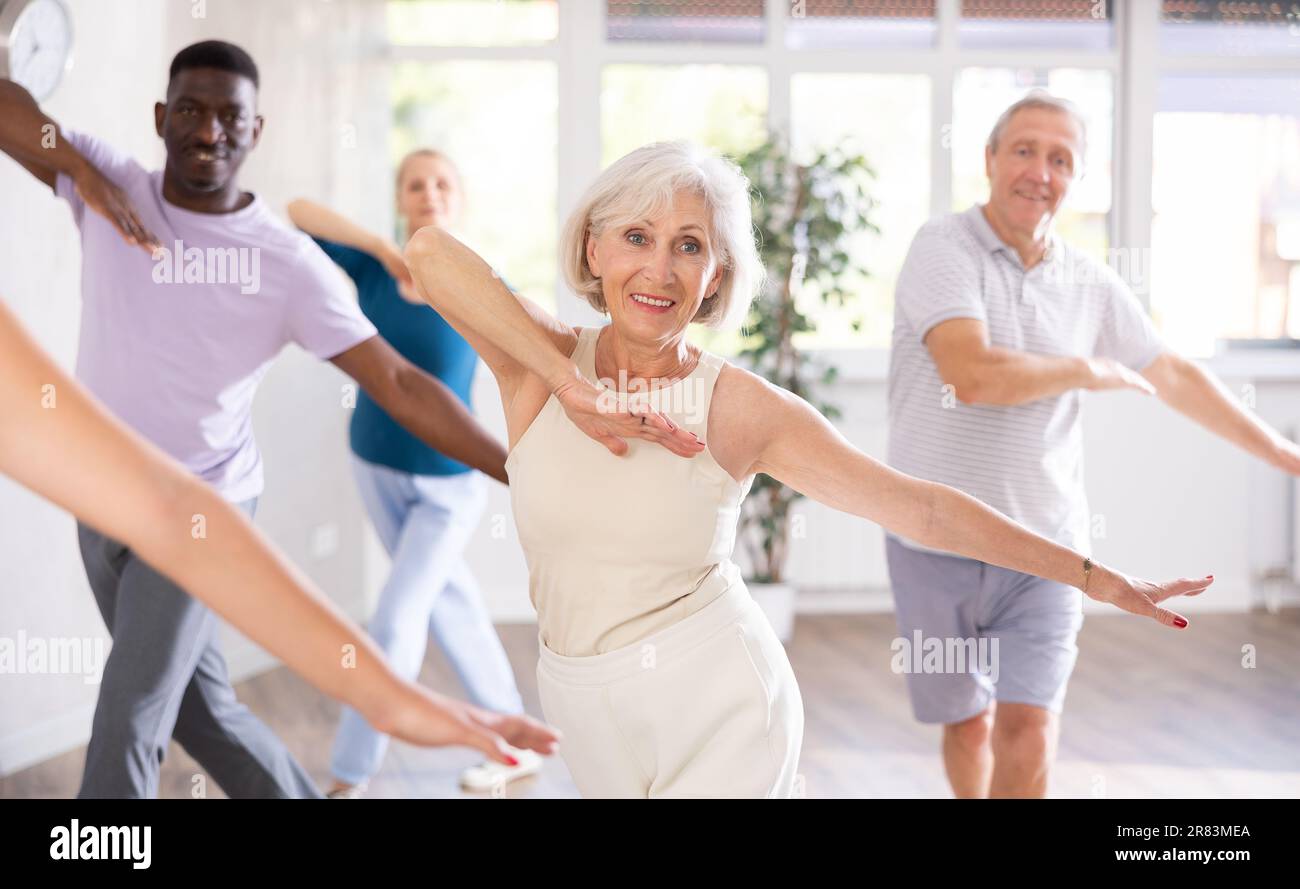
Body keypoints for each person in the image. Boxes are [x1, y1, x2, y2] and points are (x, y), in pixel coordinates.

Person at [404, 140, 1215, 799]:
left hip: (715, 701)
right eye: (637, 237)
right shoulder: (536, 364)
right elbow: (430, 250)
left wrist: (1091, 575)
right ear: (593, 246)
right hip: (578, 698)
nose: (659, 270)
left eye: (690, 246)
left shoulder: (738, 406)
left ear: (716, 276)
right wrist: (570, 387)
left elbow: (920, 509)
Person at [0, 40, 509, 799]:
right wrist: (80, 169)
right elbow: (9, 109)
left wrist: (516, 469)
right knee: (203, 712)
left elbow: (400, 381)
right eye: (191, 110)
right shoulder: (109, 186)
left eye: (230, 116)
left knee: (130, 713)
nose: (209, 131)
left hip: (200, 510)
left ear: (256, 130)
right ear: (161, 118)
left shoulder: (286, 262)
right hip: (101, 496)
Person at [886, 91, 1300, 798]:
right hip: (935, 541)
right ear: (989, 159)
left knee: (1029, 729)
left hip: (1047, 549)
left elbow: (1173, 374)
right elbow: (972, 374)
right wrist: (1085, 369)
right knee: (969, 724)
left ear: (1075, 178)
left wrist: (1288, 457)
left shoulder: (1089, 282)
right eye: (1024, 150)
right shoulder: (942, 247)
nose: (1040, 171)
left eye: (1061, 159)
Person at [0, 295, 559, 784]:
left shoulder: (281, 260)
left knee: (142, 713)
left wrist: (388, 698)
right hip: (294, 490)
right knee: (201, 711)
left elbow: (174, 514)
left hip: (230, 503)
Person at [287, 150, 537, 798]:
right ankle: (516, 740)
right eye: (416, 185)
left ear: (460, 200)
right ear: (401, 199)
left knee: (397, 619)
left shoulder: (480, 286)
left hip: (450, 485)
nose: (430, 194)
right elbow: (298, 213)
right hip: (373, 464)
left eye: (443, 184)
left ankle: (349, 775)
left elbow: (536, 355)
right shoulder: (371, 268)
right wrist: (381, 246)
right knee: (448, 599)